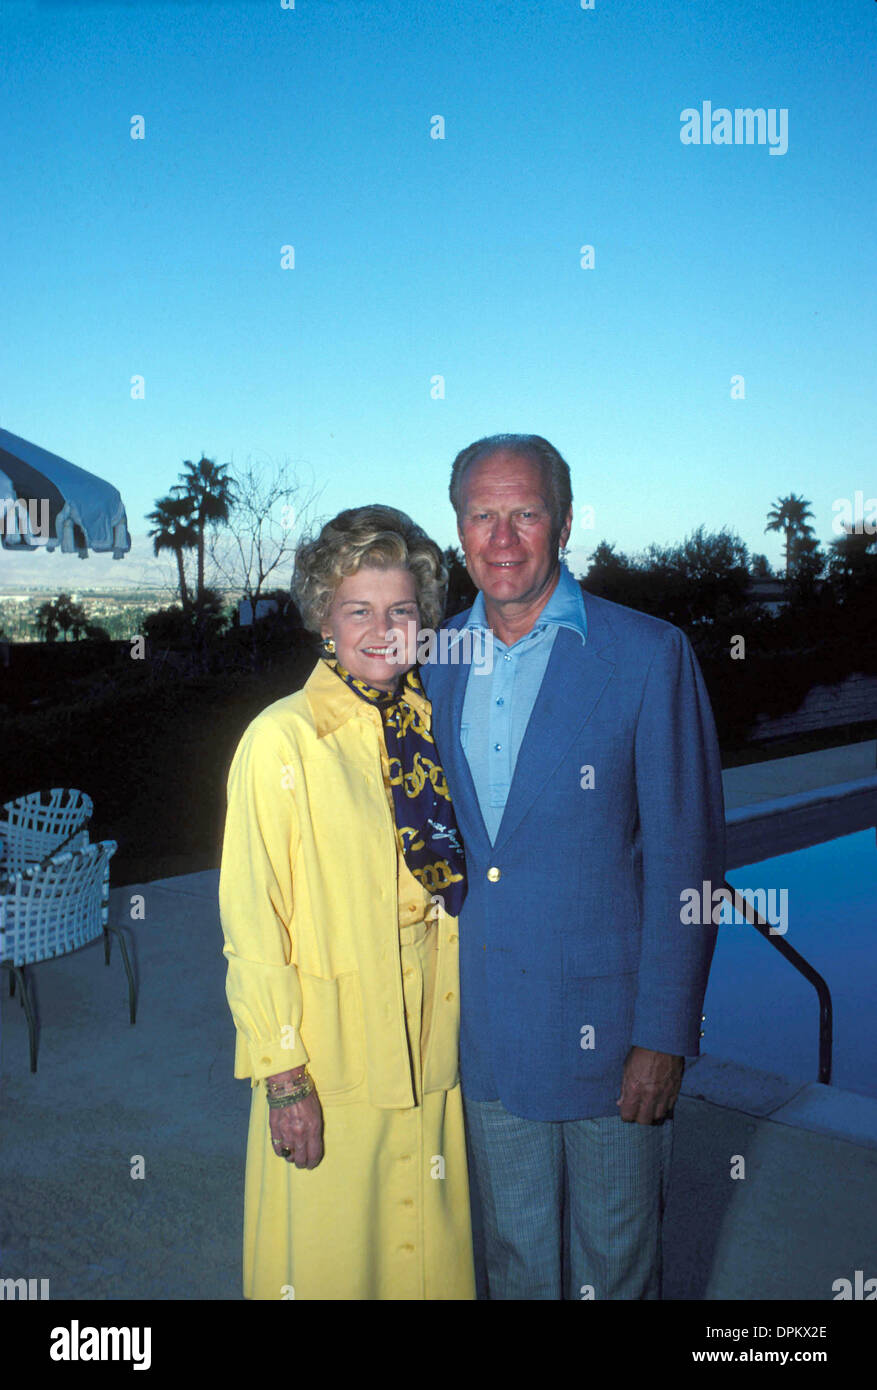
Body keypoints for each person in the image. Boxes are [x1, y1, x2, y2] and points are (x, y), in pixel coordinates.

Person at [418, 434, 726, 1300]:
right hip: (486, 1037)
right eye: (483, 515)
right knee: (513, 1267)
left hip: (613, 1040)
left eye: (525, 513)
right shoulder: (431, 661)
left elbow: (687, 862)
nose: (503, 537)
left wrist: (664, 1036)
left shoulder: (646, 654)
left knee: (616, 1270)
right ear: (459, 527)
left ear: (562, 522)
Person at [218, 504, 476, 1300]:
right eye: (357, 608)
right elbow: (253, 925)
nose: (380, 628)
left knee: (422, 1263)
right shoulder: (281, 739)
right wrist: (284, 1076)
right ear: (323, 619)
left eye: (400, 609)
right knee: (333, 1264)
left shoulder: (437, 724)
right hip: (329, 1052)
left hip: (433, 1038)